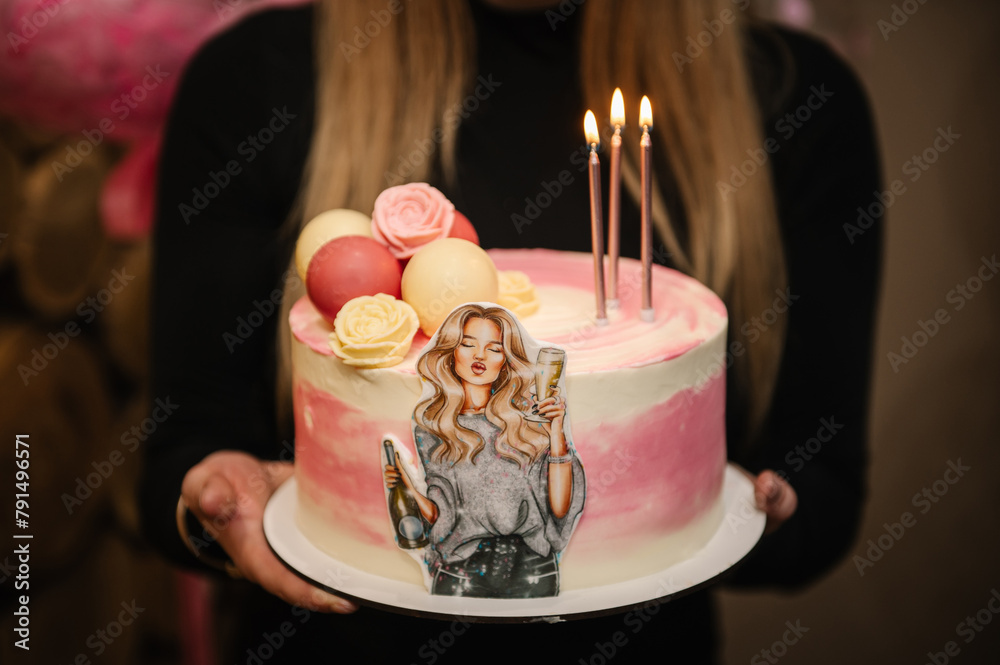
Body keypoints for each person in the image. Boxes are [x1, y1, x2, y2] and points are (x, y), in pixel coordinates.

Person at [141, 1, 882, 662]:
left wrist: (750, 511)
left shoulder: (794, 99)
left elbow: (821, 486)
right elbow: (182, 448)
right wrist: (216, 505)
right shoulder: (257, 79)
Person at [384, 304, 585, 598]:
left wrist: (556, 430)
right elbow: (442, 517)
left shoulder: (529, 422)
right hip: (459, 570)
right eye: (467, 344)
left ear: (506, 360)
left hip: (533, 568)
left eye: (494, 348)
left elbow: (559, 507)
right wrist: (407, 484)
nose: (479, 356)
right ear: (452, 352)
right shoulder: (433, 429)